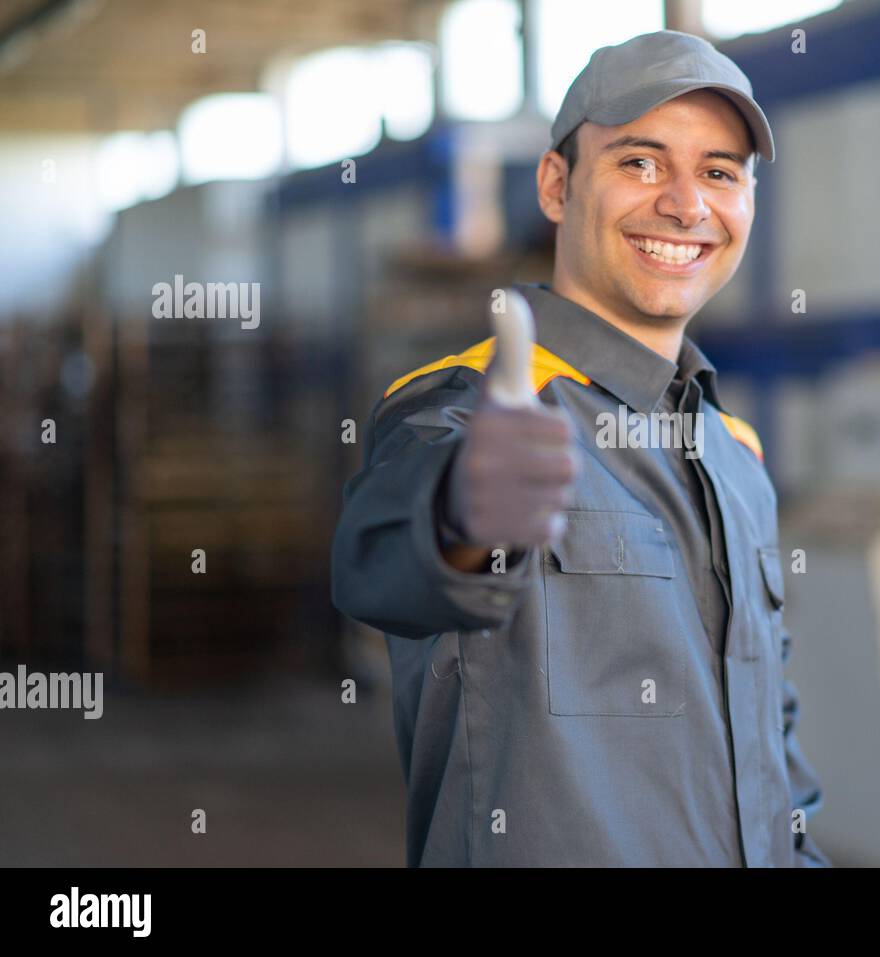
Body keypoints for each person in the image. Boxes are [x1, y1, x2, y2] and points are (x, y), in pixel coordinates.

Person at [331, 30, 829, 867]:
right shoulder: (467, 408)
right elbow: (382, 560)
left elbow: (773, 744)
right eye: (640, 162)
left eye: (719, 171)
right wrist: (462, 515)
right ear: (558, 186)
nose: (684, 204)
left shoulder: (735, 454)